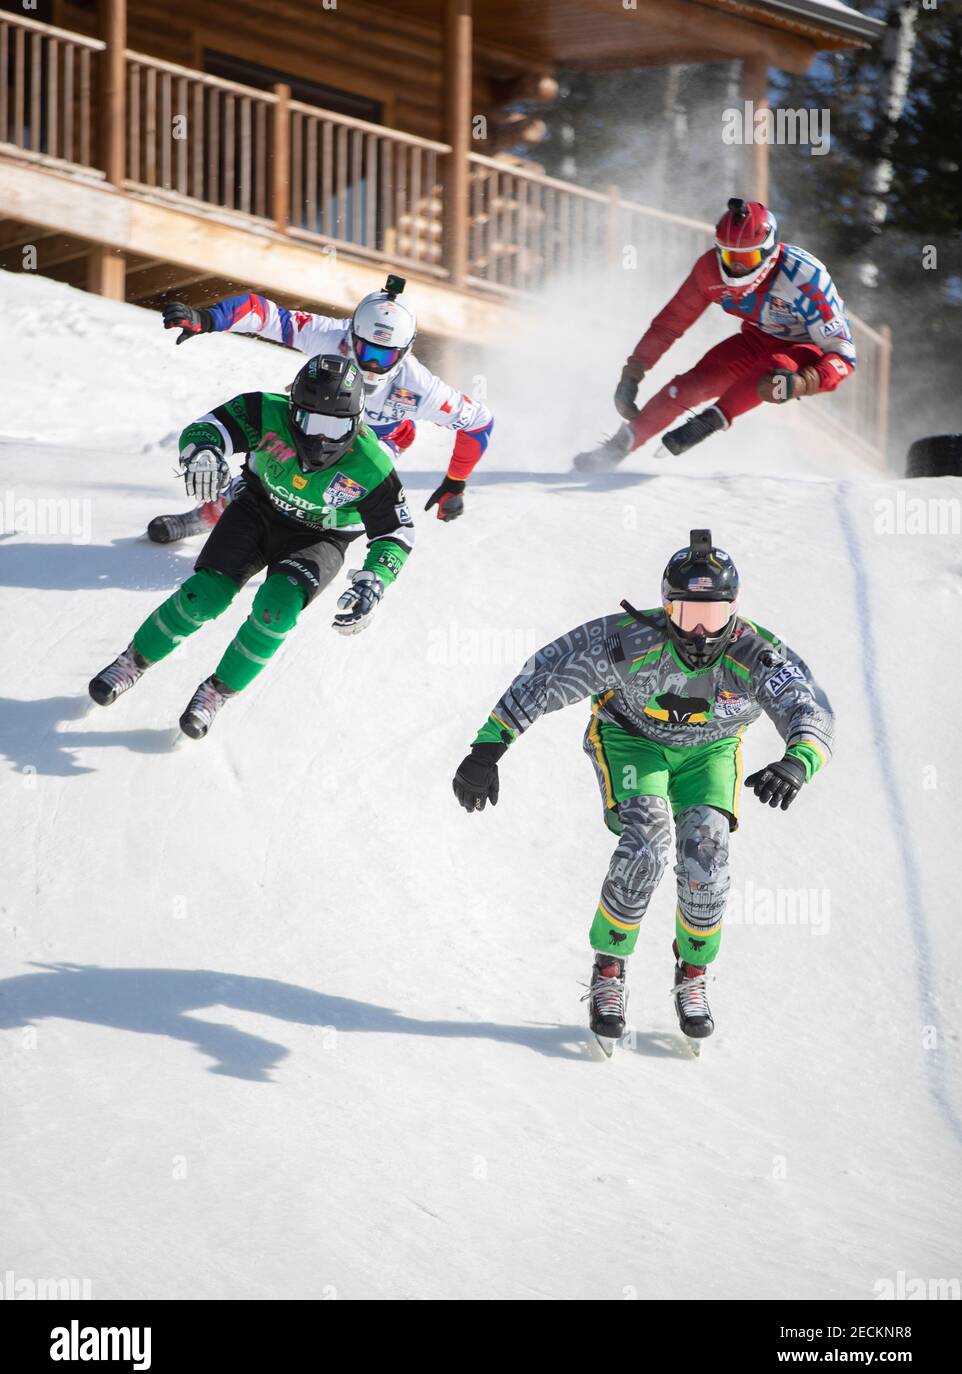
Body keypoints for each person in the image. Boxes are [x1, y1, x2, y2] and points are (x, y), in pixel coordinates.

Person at [451, 530, 834, 1052]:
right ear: (665, 608)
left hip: (710, 753)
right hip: (632, 741)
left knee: (708, 852)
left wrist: (798, 761)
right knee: (648, 843)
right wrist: (487, 749)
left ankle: (692, 972)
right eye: (686, 614)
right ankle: (609, 968)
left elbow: (809, 707)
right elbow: (545, 676)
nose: (700, 631)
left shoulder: (756, 653)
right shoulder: (627, 641)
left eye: (714, 616)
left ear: (735, 611)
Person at [89, 355, 413, 739]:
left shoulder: (371, 465)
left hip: (321, 538)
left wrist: (375, 580)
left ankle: (216, 693)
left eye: (337, 426)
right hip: (258, 509)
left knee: (278, 609)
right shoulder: (264, 410)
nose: (322, 438)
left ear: (357, 422)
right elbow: (207, 428)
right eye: (311, 422)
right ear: (292, 410)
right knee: (205, 595)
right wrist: (204, 453)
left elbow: (398, 533)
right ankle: (132, 662)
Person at [148, 274, 493, 540]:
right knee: (273, 457)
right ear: (351, 335)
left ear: (405, 351)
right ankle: (215, 510)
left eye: (384, 356)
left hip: (375, 440)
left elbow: (478, 422)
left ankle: (305, 543)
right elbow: (263, 313)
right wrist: (207, 319)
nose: (372, 365)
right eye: (366, 351)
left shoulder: (420, 388)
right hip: (312, 419)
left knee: (344, 487)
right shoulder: (331, 335)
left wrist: (455, 482)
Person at [573, 197, 856, 470]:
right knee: (687, 386)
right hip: (757, 339)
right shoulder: (709, 270)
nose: (737, 267)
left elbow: (844, 354)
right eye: (730, 255)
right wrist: (634, 370)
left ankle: (714, 419)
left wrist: (803, 382)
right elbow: (670, 323)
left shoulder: (805, 277)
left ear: (769, 252)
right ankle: (616, 448)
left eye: (748, 256)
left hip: (805, 349)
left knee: (776, 372)